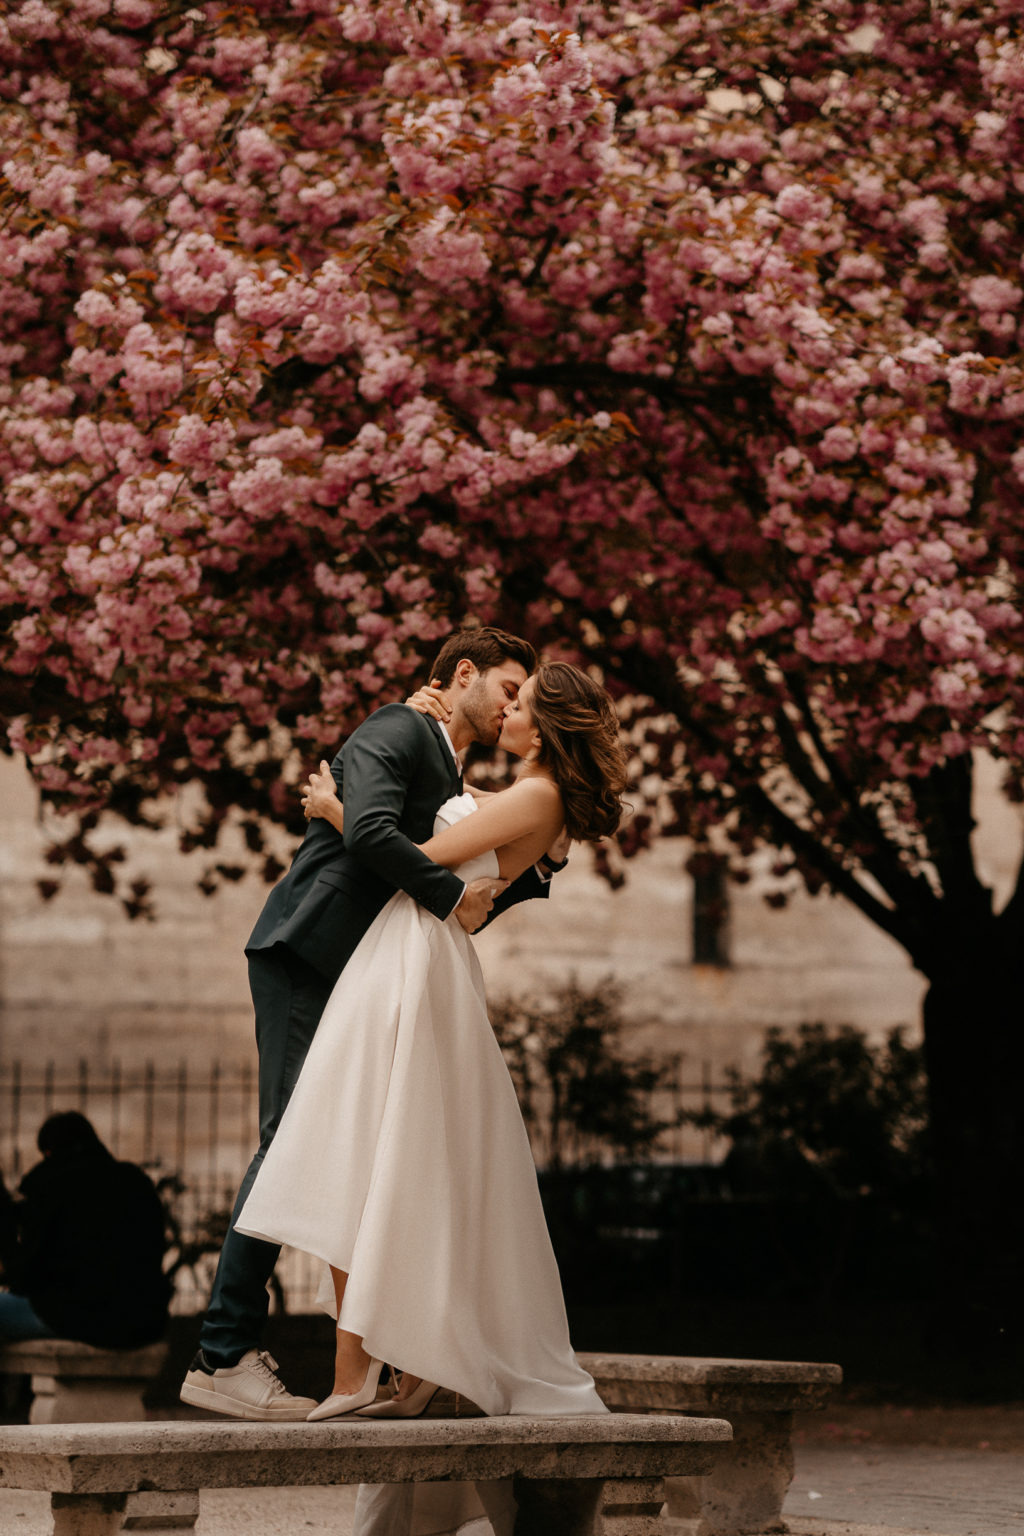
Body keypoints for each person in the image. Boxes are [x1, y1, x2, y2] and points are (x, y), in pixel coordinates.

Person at [234, 659, 626, 1532]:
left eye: (520, 702)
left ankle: (376, 1365)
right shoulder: (521, 793)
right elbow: (451, 820)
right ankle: (388, 1364)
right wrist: (431, 733)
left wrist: (338, 808)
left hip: (414, 950)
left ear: (544, 727)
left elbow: (426, 853)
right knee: (370, 1141)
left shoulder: (537, 796)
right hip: (411, 945)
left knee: (367, 1137)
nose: (507, 709)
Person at [182, 627, 562, 1420]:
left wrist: (498, 879)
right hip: (311, 951)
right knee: (291, 1142)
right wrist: (446, 892)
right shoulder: (398, 726)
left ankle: (391, 1355)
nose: (510, 708)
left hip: (371, 974)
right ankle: (222, 1354)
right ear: (463, 673)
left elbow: (450, 862)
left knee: (374, 1155)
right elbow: (377, 837)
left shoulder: (459, 768)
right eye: (506, 689)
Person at [0, 1112, 170, 1348]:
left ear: (49, 1152)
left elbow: (23, 1277)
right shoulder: (136, 1182)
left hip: (77, 1319)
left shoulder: (52, 1184)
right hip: (144, 1323)